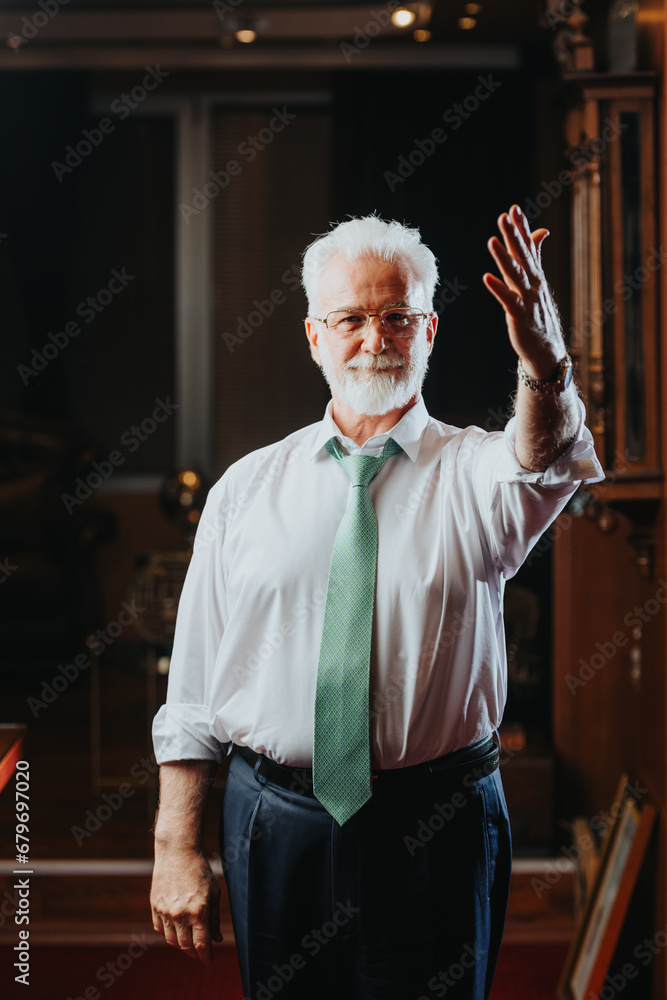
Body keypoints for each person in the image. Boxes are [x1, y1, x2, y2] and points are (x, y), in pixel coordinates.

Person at [150, 205, 603, 1000]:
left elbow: (547, 457)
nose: (374, 337)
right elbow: (192, 691)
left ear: (429, 332)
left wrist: (544, 359)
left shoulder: (478, 472)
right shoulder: (245, 490)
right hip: (273, 820)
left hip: (437, 822)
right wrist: (173, 844)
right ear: (312, 336)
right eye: (351, 318)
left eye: (397, 317)